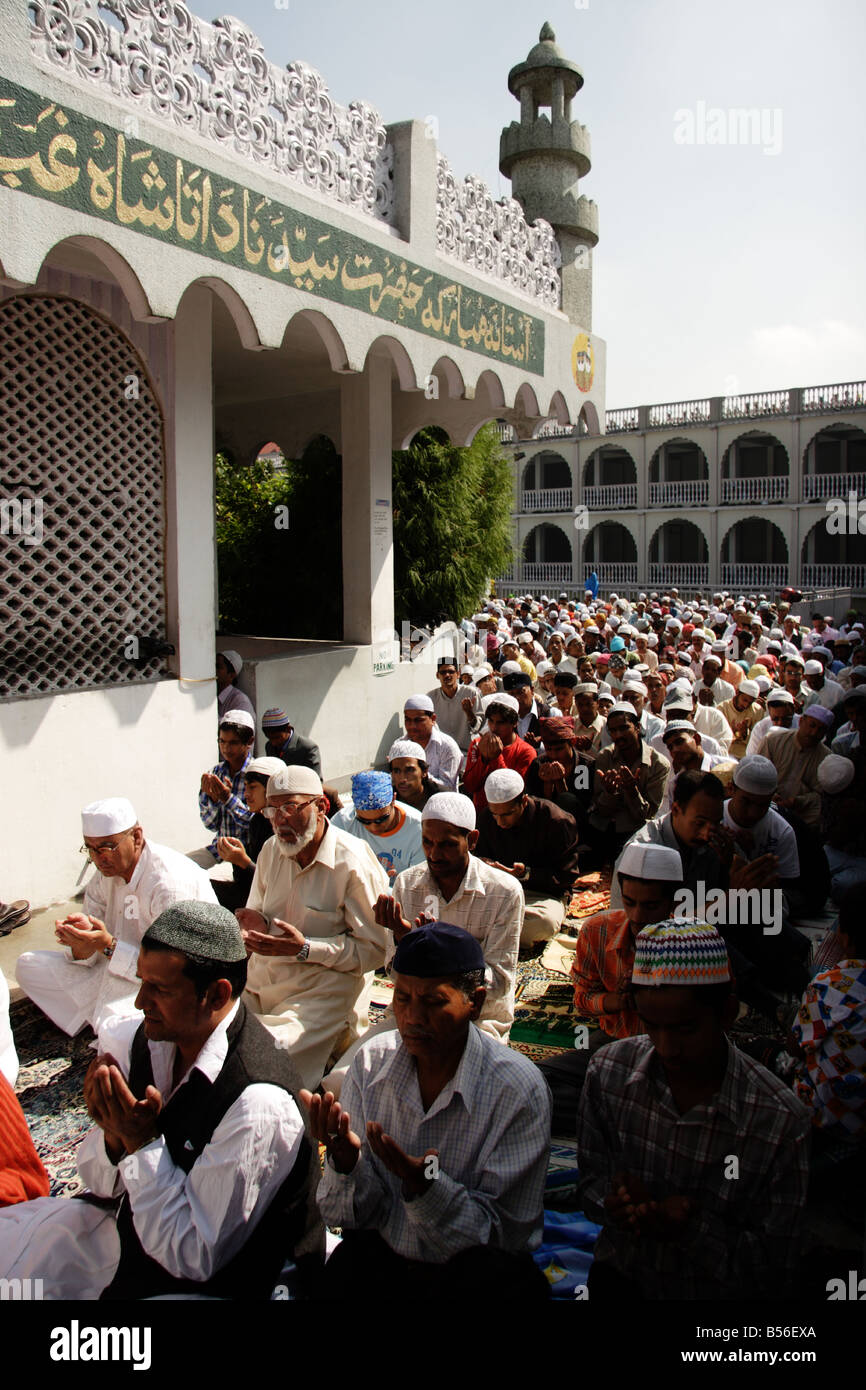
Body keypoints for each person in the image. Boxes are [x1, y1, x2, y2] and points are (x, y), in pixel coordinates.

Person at [0, 901, 322, 1299]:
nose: (139, 1002)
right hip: (142, 1234)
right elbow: (101, 1184)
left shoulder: (258, 1103)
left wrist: (140, 1144)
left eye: (160, 989)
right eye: (141, 982)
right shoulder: (151, 1041)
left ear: (217, 994)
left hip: (228, 1278)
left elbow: (193, 1255)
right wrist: (115, 1138)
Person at [303, 922, 551, 1299]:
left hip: (471, 1279)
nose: (413, 1017)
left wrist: (424, 1188)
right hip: (384, 1265)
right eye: (402, 999)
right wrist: (346, 1163)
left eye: (433, 1002)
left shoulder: (517, 1090)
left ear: (476, 1002)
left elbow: (504, 1239)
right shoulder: (370, 1065)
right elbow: (348, 1218)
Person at [577, 919, 811, 1300]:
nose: (666, 1048)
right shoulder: (609, 1073)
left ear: (726, 1013)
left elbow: (774, 1267)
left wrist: (692, 1229)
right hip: (622, 1278)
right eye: (652, 1026)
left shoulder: (778, 1120)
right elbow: (589, 1186)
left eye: (685, 1029)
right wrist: (615, 1203)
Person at [238, 766, 390, 1090]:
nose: (280, 820)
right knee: (216, 1038)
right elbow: (259, 913)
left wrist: (305, 948)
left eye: (290, 808)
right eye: (272, 810)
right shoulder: (270, 850)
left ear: (321, 807)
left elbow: (377, 950)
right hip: (264, 976)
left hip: (323, 987)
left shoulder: (352, 861)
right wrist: (257, 924)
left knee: (265, 1056)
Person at [16, 798, 217, 1038]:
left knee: (112, 1031)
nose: (99, 858)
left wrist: (107, 946)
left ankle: (110, 1027)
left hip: (167, 985)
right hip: (115, 970)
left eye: (107, 846)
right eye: (90, 848)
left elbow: (171, 970)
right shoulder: (104, 875)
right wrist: (79, 942)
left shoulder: (169, 884)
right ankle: (101, 1021)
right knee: (28, 965)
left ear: (137, 837)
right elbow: (91, 946)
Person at [536, 843, 684, 1133]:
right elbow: (582, 1000)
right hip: (612, 1043)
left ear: (673, 903)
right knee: (534, 1083)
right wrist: (618, 1001)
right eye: (630, 902)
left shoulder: (692, 946)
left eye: (651, 906)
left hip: (669, 1057)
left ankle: (619, 1111)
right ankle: (626, 1113)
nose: (638, 916)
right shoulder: (597, 931)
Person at [375, 792, 523, 1043]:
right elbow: (396, 976)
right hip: (412, 1015)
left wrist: (438, 953)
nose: (433, 855)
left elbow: (499, 983)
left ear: (472, 840)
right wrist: (405, 939)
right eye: (427, 843)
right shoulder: (407, 883)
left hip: (477, 1019)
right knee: (346, 1076)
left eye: (447, 844)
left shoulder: (503, 891)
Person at [476, 769, 580, 947]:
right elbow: (477, 858)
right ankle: (496, 933)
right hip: (498, 893)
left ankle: (485, 935)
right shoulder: (486, 818)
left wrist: (526, 874)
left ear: (523, 801)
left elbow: (566, 876)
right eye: (496, 814)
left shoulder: (556, 821)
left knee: (543, 924)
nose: (500, 822)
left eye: (507, 814)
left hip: (540, 897)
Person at [586, 704, 669, 863]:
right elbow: (600, 808)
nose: (618, 735)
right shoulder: (605, 757)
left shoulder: (658, 764)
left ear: (637, 727)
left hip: (634, 832)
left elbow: (646, 815)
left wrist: (632, 791)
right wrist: (611, 793)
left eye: (624, 728)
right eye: (613, 731)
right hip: (603, 829)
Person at [213, 755, 284, 910]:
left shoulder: (285, 826)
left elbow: (275, 888)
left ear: (270, 789)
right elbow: (246, 884)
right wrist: (237, 860)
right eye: (245, 787)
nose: (245, 794)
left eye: (252, 787)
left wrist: (243, 861)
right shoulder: (257, 822)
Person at [331, 771, 424, 881]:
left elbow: (416, 886)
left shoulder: (419, 829)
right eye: (364, 821)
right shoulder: (343, 822)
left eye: (381, 819)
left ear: (393, 800)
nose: (373, 828)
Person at [754, 707, 831, 828]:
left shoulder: (826, 759)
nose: (814, 733)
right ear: (801, 722)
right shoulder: (773, 741)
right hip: (764, 806)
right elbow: (757, 773)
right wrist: (770, 794)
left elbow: (820, 795)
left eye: (821, 729)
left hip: (800, 817)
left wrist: (797, 801)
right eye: (812, 725)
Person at [462, 693, 536, 813]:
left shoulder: (526, 752)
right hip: (481, 815)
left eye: (501, 723)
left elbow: (512, 792)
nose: (494, 727)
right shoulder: (477, 744)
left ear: (514, 723)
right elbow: (470, 786)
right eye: (491, 721)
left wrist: (496, 757)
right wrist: (484, 760)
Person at [199, 712, 256, 859]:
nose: (226, 748)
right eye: (222, 741)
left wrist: (227, 799)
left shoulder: (258, 774)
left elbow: (254, 824)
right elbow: (210, 825)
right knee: (183, 867)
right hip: (219, 850)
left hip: (247, 854)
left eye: (233, 743)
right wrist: (214, 800)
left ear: (249, 742)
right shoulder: (215, 773)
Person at [402, 695, 461, 790]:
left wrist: (420, 774)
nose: (412, 726)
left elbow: (447, 788)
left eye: (418, 720)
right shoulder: (401, 745)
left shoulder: (446, 746)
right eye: (407, 720)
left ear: (433, 719)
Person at [428, 656, 483, 752]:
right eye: (443, 672)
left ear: (458, 674)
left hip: (466, 752)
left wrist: (469, 713)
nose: (447, 675)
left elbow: (478, 728)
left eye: (451, 671)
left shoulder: (471, 693)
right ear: (437, 675)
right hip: (441, 753)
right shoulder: (431, 698)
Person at [387, 738, 445, 810]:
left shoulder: (443, 799)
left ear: (424, 772)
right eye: (397, 771)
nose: (402, 779)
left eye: (409, 770)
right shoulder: (386, 801)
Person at [261, 708, 322, 776]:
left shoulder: (308, 748)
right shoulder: (269, 746)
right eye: (269, 738)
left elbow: (316, 781)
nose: (273, 743)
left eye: (277, 737)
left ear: (288, 729)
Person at [718, 678, 765, 759]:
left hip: (747, 755)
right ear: (737, 692)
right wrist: (732, 731)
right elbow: (717, 738)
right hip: (725, 753)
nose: (746, 705)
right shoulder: (722, 708)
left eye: (750, 703)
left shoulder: (758, 711)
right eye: (744, 700)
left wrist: (746, 733)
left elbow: (760, 741)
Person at [216, 649, 255, 721]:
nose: (214, 670)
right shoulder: (212, 695)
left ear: (231, 675)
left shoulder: (240, 700)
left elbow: (241, 728)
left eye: (218, 667)